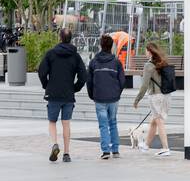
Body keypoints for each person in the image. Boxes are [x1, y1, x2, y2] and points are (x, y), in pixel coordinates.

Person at [38, 28, 87, 163]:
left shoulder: (51, 54)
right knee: (66, 123)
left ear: (60, 38)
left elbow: (42, 71)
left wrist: (46, 85)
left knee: (52, 122)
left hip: (53, 93)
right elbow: (84, 76)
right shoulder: (75, 56)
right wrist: (75, 88)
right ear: (71, 38)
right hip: (68, 94)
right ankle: (66, 153)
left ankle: (54, 144)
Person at [87, 34, 126, 159]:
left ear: (101, 46)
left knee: (103, 124)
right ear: (111, 46)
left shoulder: (93, 62)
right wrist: (117, 93)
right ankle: (115, 150)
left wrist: (92, 95)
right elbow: (122, 81)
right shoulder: (116, 63)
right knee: (113, 122)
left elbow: (89, 81)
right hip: (113, 97)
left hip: (99, 97)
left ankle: (105, 151)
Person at [132, 43, 174, 156]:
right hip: (166, 95)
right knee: (154, 121)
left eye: (146, 51)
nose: (145, 53)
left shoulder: (148, 65)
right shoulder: (162, 63)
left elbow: (144, 85)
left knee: (159, 121)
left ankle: (165, 148)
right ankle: (146, 145)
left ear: (149, 52)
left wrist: (137, 100)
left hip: (156, 96)